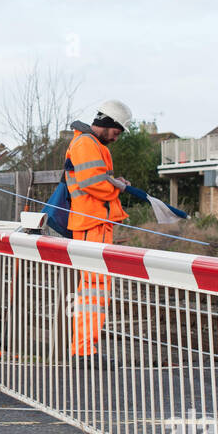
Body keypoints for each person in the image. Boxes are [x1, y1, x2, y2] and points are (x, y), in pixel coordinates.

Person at [64, 99, 133, 357]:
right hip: (91, 224)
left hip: (94, 224)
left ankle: (85, 347)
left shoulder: (91, 145)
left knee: (94, 290)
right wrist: (118, 186)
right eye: (116, 132)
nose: (116, 138)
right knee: (94, 290)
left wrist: (115, 182)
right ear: (109, 123)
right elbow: (93, 182)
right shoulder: (85, 144)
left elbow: (97, 180)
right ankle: (83, 349)